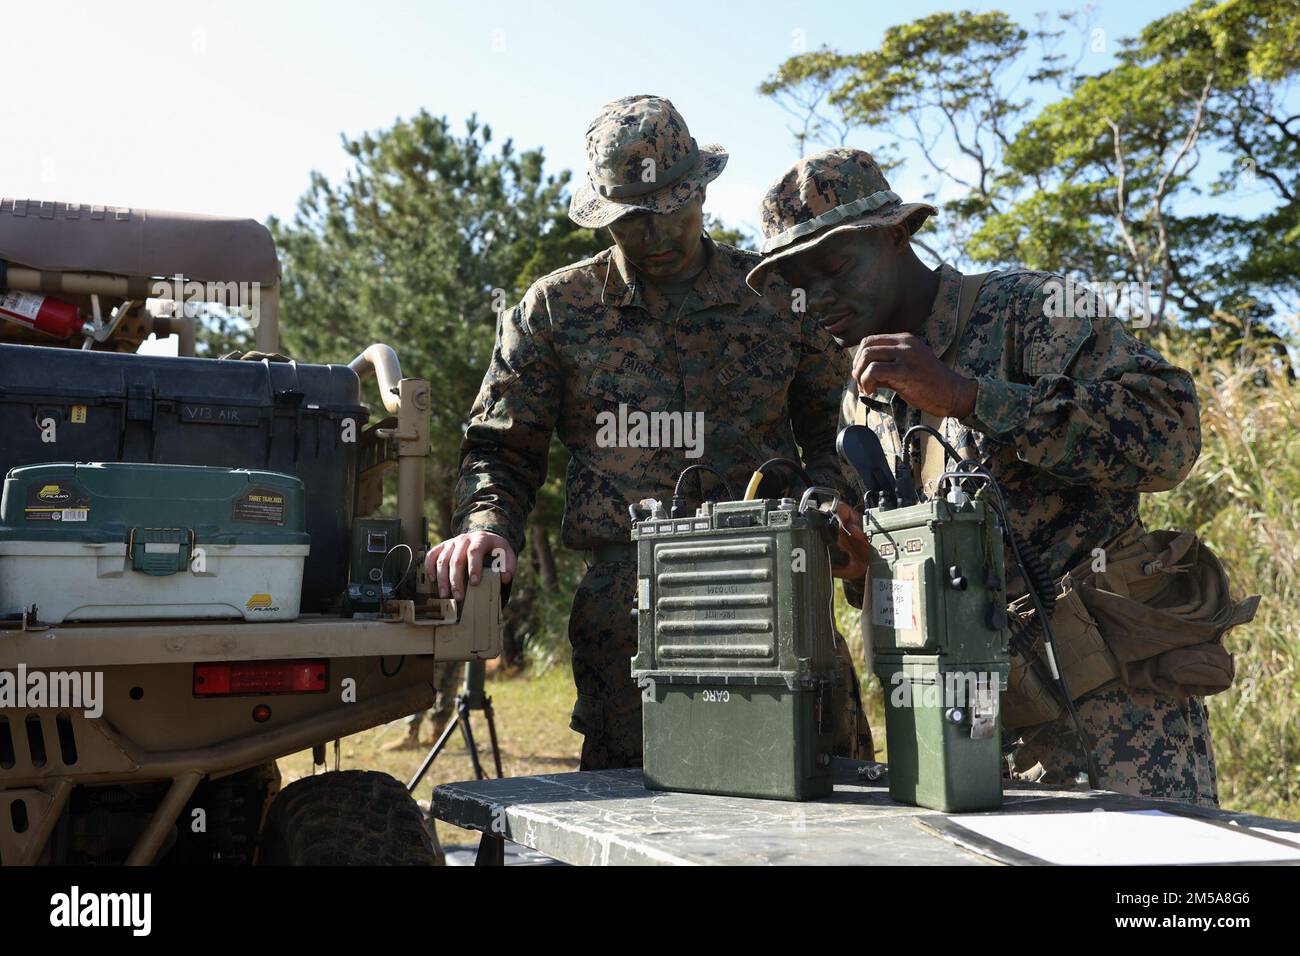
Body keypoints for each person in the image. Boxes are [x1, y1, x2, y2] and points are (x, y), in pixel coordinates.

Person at [745, 146, 1228, 807]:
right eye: (795, 284)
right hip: (963, 740)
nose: (817, 297)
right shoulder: (861, 391)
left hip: (1114, 732)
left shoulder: (1028, 311)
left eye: (831, 265)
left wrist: (972, 396)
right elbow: (901, 560)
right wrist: (858, 558)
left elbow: (1171, 435)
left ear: (894, 234)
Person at [427, 97, 872, 770]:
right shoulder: (556, 309)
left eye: (675, 212)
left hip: (776, 587)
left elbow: (832, 423)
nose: (659, 236)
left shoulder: (779, 297)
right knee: (643, 812)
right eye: (636, 220)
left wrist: (830, 500)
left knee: (820, 797)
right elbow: (501, 447)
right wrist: (488, 524)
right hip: (630, 611)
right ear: (608, 214)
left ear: (702, 193)